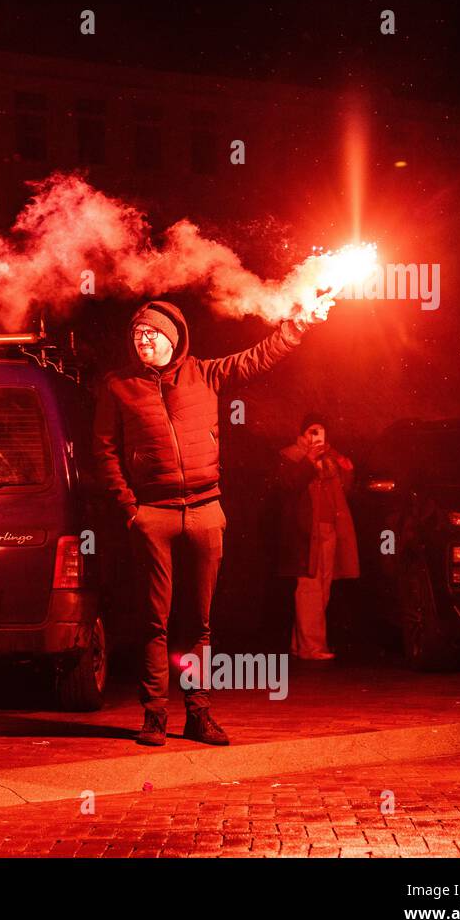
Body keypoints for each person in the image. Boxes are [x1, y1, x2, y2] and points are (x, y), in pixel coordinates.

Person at [93, 300, 321, 748]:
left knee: (199, 624)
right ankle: (154, 715)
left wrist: (295, 327)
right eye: (137, 333)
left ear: (172, 337)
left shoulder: (204, 373)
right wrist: (130, 510)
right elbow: (104, 452)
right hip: (153, 515)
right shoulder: (118, 387)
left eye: (152, 333)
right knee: (155, 622)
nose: (143, 340)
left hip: (205, 510)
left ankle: (198, 713)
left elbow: (257, 358)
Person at [277, 413, 359, 660]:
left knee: (322, 589)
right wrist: (309, 461)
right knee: (309, 589)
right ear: (302, 434)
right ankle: (312, 648)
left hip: (329, 529)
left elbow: (343, 493)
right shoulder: (290, 456)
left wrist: (347, 471)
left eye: (321, 431)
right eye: (312, 430)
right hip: (306, 532)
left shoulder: (330, 458)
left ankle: (300, 644)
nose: (316, 436)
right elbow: (289, 485)